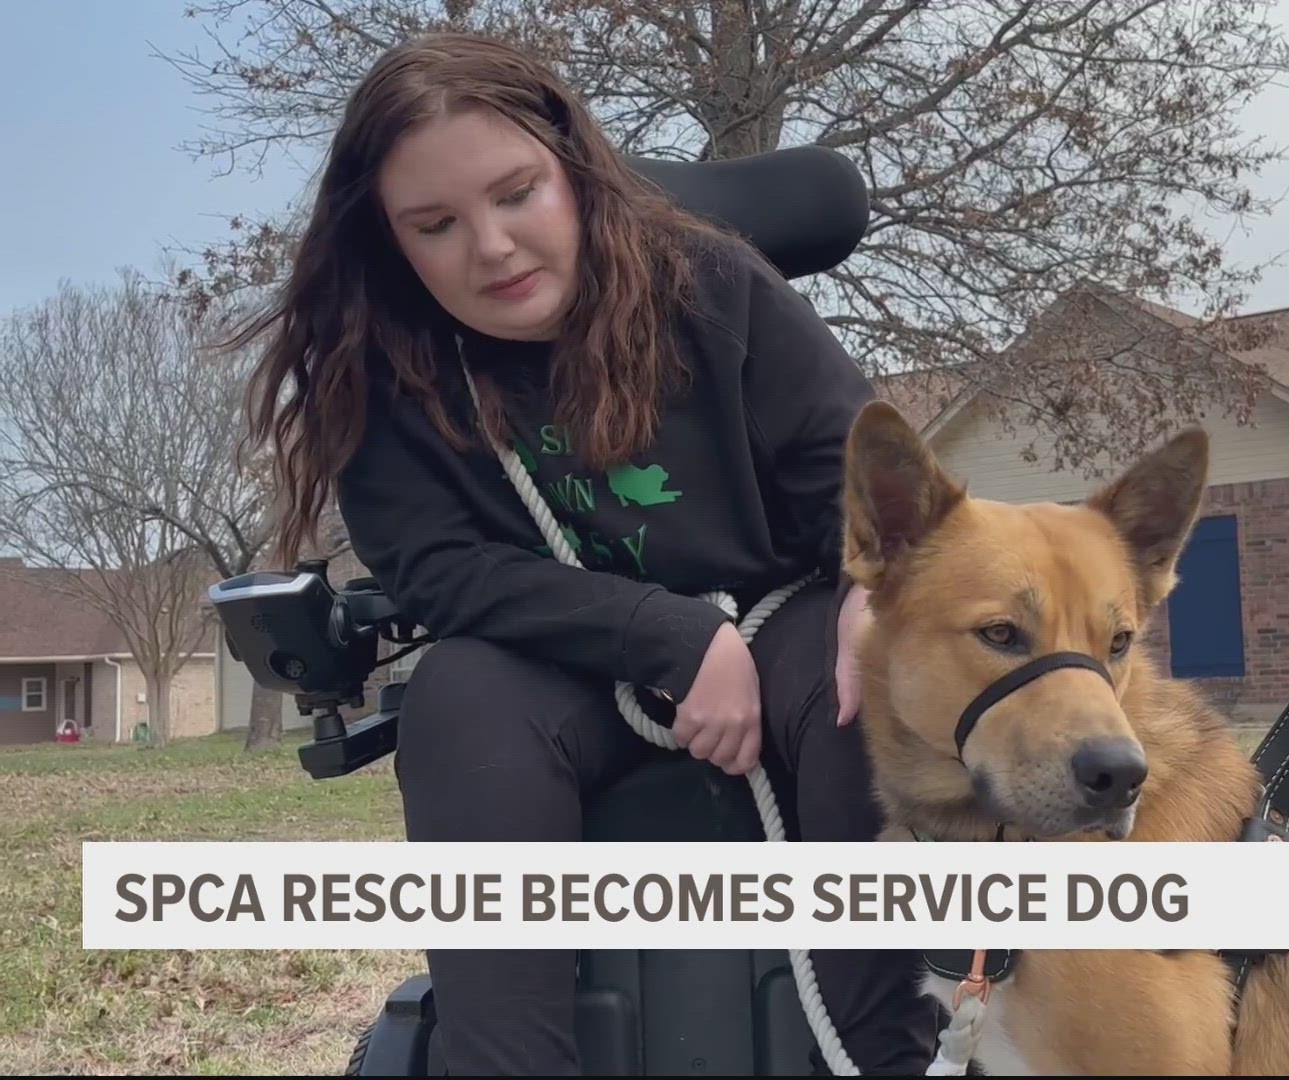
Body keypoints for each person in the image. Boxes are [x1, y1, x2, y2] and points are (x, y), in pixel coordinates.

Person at [226, 31, 939, 1076]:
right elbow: (438, 569)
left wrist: (880, 597)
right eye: (437, 225)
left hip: (777, 616)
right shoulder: (386, 367)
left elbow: (862, 484)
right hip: (558, 660)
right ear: (392, 243)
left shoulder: (710, 283)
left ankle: (882, 1054)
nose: (494, 247)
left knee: (865, 680)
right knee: (457, 698)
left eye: (518, 194)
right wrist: (666, 634)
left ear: (575, 171)